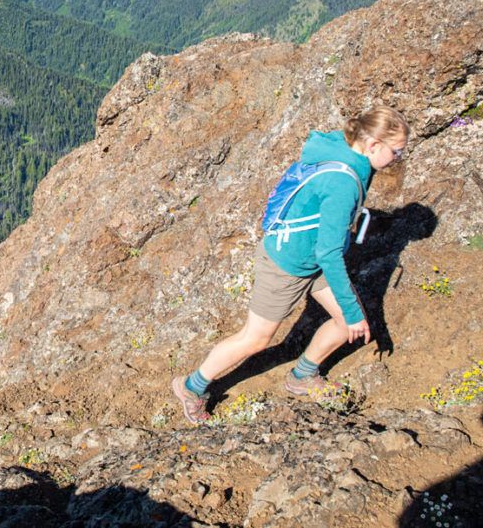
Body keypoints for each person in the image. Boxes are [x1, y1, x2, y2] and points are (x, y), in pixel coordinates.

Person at [171, 106, 410, 423]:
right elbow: (330, 253)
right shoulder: (344, 184)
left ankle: (302, 375)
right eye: (396, 151)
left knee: (345, 323)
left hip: (306, 255)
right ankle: (191, 386)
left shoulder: (341, 147)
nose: (398, 157)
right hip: (288, 264)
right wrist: (352, 311)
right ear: (374, 145)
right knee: (255, 339)